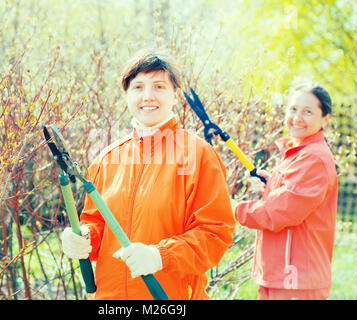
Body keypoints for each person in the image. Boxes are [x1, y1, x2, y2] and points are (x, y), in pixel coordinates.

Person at [61, 49, 235, 300]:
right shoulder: (107, 159)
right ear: (126, 95)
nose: (148, 96)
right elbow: (96, 223)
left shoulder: (199, 155)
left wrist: (160, 256)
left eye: (159, 87)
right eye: (138, 87)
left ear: (174, 95)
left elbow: (214, 234)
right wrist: (83, 236)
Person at [233, 80, 338, 300]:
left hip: (296, 280)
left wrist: (233, 208)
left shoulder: (313, 158)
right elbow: (293, 194)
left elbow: (279, 212)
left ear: (325, 119)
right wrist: (271, 183)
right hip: (283, 276)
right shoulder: (300, 152)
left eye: (308, 111)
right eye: (293, 109)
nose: (297, 118)